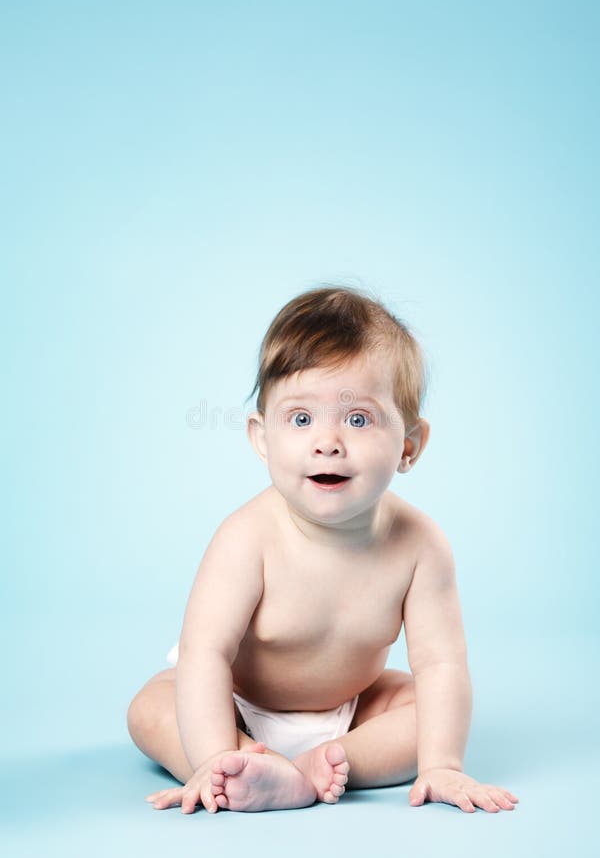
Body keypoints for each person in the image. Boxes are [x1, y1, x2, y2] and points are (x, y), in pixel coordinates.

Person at [127, 285, 519, 815]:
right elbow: (207, 655)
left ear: (409, 446)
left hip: (349, 709)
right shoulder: (247, 537)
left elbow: (442, 663)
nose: (327, 441)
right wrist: (213, 749)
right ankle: (235, 763)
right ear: (262, 439)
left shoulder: (420, 546)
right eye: (301, 418)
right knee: (151, 709)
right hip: (236, 706)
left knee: (427, 709)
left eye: (358, 419)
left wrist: (442, 762)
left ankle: (319, 767)